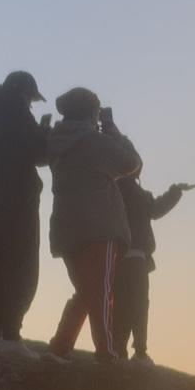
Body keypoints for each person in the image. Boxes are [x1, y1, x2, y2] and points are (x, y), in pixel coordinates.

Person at [45, 88, 141, 361]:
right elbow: (132, 162)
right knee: (101, 291)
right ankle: (106, 352)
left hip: (67, 228)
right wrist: (113, 130)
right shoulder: (95, 141)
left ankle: (60, 346)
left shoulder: (55, 141)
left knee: (87, 291)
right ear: (92, 113)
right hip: (100, 224)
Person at [0, 70, 49, 355]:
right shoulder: (17, 113)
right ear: (22, 92)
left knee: (0, 264)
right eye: (30, 98)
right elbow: (39, 154)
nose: (30, 104)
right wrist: (44, 133)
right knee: (21, 266)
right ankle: (11, 335)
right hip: (19, 199)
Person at [114, 177, 195, 365]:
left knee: (120, 305)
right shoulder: (139, 195)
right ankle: (140, 352)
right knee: (139, 305)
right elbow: (157, 208)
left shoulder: (110, 191)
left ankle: (118, 349)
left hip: (116, 259)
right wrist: (176, 190)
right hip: (136, 259)